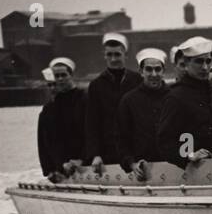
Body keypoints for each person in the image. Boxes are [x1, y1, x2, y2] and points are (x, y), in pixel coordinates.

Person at [156, 36, 212, 166]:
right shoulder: (176, 97)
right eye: (199, 62)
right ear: (187, 63)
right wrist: (188, 156)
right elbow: (165, 141)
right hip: (197, 171)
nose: (205, 67)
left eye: (208, 61)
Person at [85, 31, 142, 172]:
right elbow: (92, 122)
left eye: (117, 54)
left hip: (134, 149)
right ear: (104, 56)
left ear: (126, 55)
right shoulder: (96, 85)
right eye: (109, 54)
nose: (113, 58)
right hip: (108, 152)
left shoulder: (137, 80)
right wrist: (95, 154)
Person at [116, 47, 170, 179]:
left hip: (173, 167)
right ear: (141, 71)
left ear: (164, 71)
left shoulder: (174, 97)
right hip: (143, 171)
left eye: (158, 69)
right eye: (148, 69)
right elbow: (121, 138)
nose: (154, 74)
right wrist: (131, 163)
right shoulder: (128, 100)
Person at [37, 57, 88, 180]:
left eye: (63, 75)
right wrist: (50, 169)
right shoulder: (49, 108)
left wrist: (83, 159)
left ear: (71, 75)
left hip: (85, 164)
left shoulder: (86, 98)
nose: (60, 79)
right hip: (61, 169)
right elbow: (45, 141)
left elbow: (93, 132)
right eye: (57, 76)